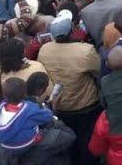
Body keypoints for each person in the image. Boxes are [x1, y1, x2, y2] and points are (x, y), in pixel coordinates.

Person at [37, 10, 102, 165]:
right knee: (86, 141)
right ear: (72, 31)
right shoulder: (85, 50)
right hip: (85, 105)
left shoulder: (44, 50)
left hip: (60, 106)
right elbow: (98, 71)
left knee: (68, 142)